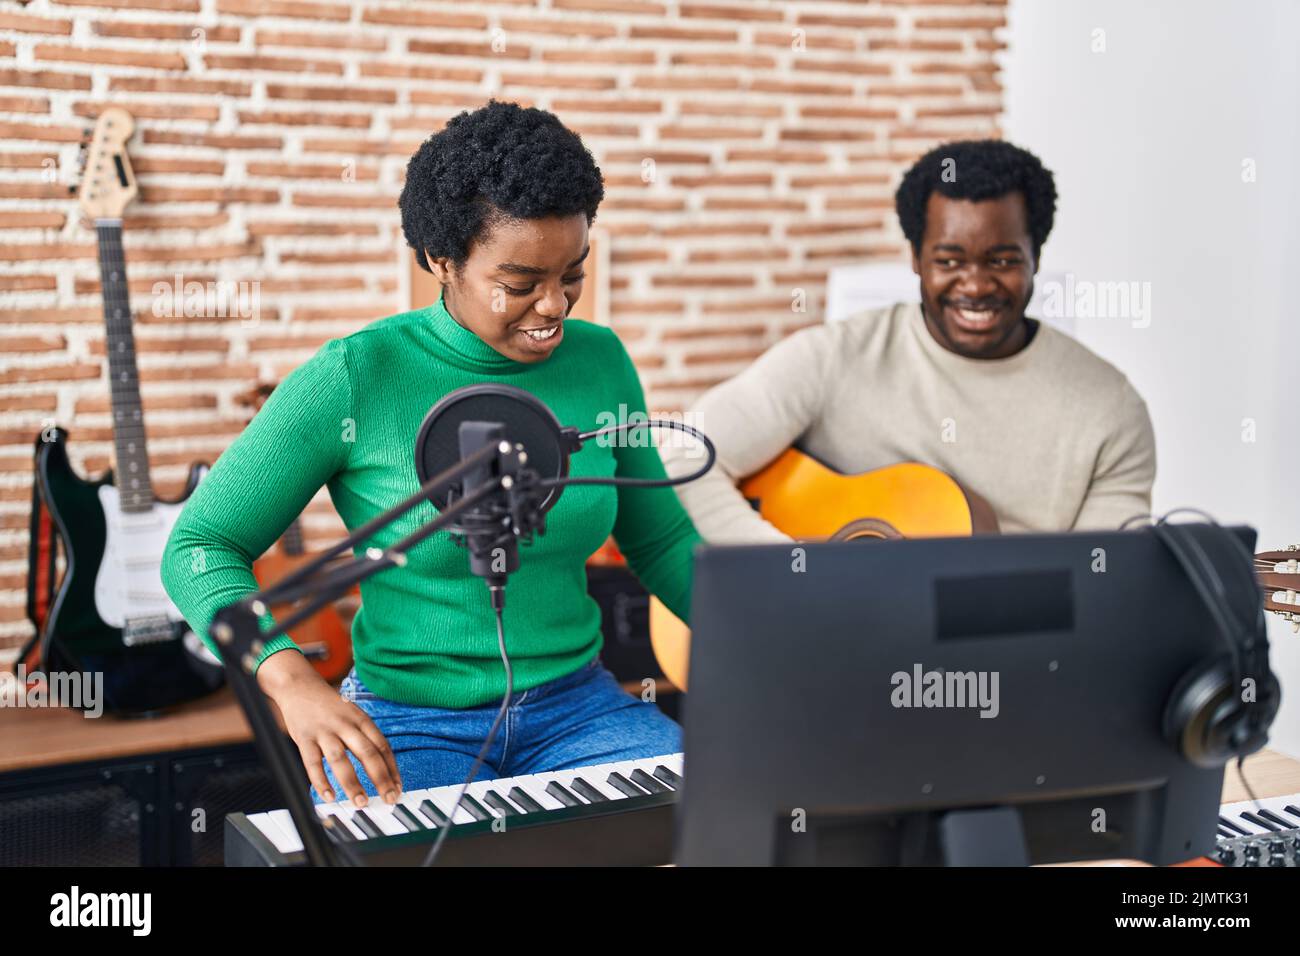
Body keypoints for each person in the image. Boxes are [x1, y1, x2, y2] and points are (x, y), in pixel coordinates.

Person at [161, 101, 699, 811]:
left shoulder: (602, 362)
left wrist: (774, 638)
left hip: (581, 712)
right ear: (440, 261)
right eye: (519, 284)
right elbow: (199, 545)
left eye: (572, 273)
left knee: (714, 823)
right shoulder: (359, 375)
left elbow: (659, 537)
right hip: (408, 723)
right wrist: (290, 680)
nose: (554, 307)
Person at [661, 139, 1156, 541]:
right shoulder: (833, 358)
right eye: (949, 261)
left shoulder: (1110, 411)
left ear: (1036, 259)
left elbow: (1103, 585)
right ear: (916, 259)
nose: (976, 285)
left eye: (1002, 260)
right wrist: (796, 577)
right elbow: (684, 454)